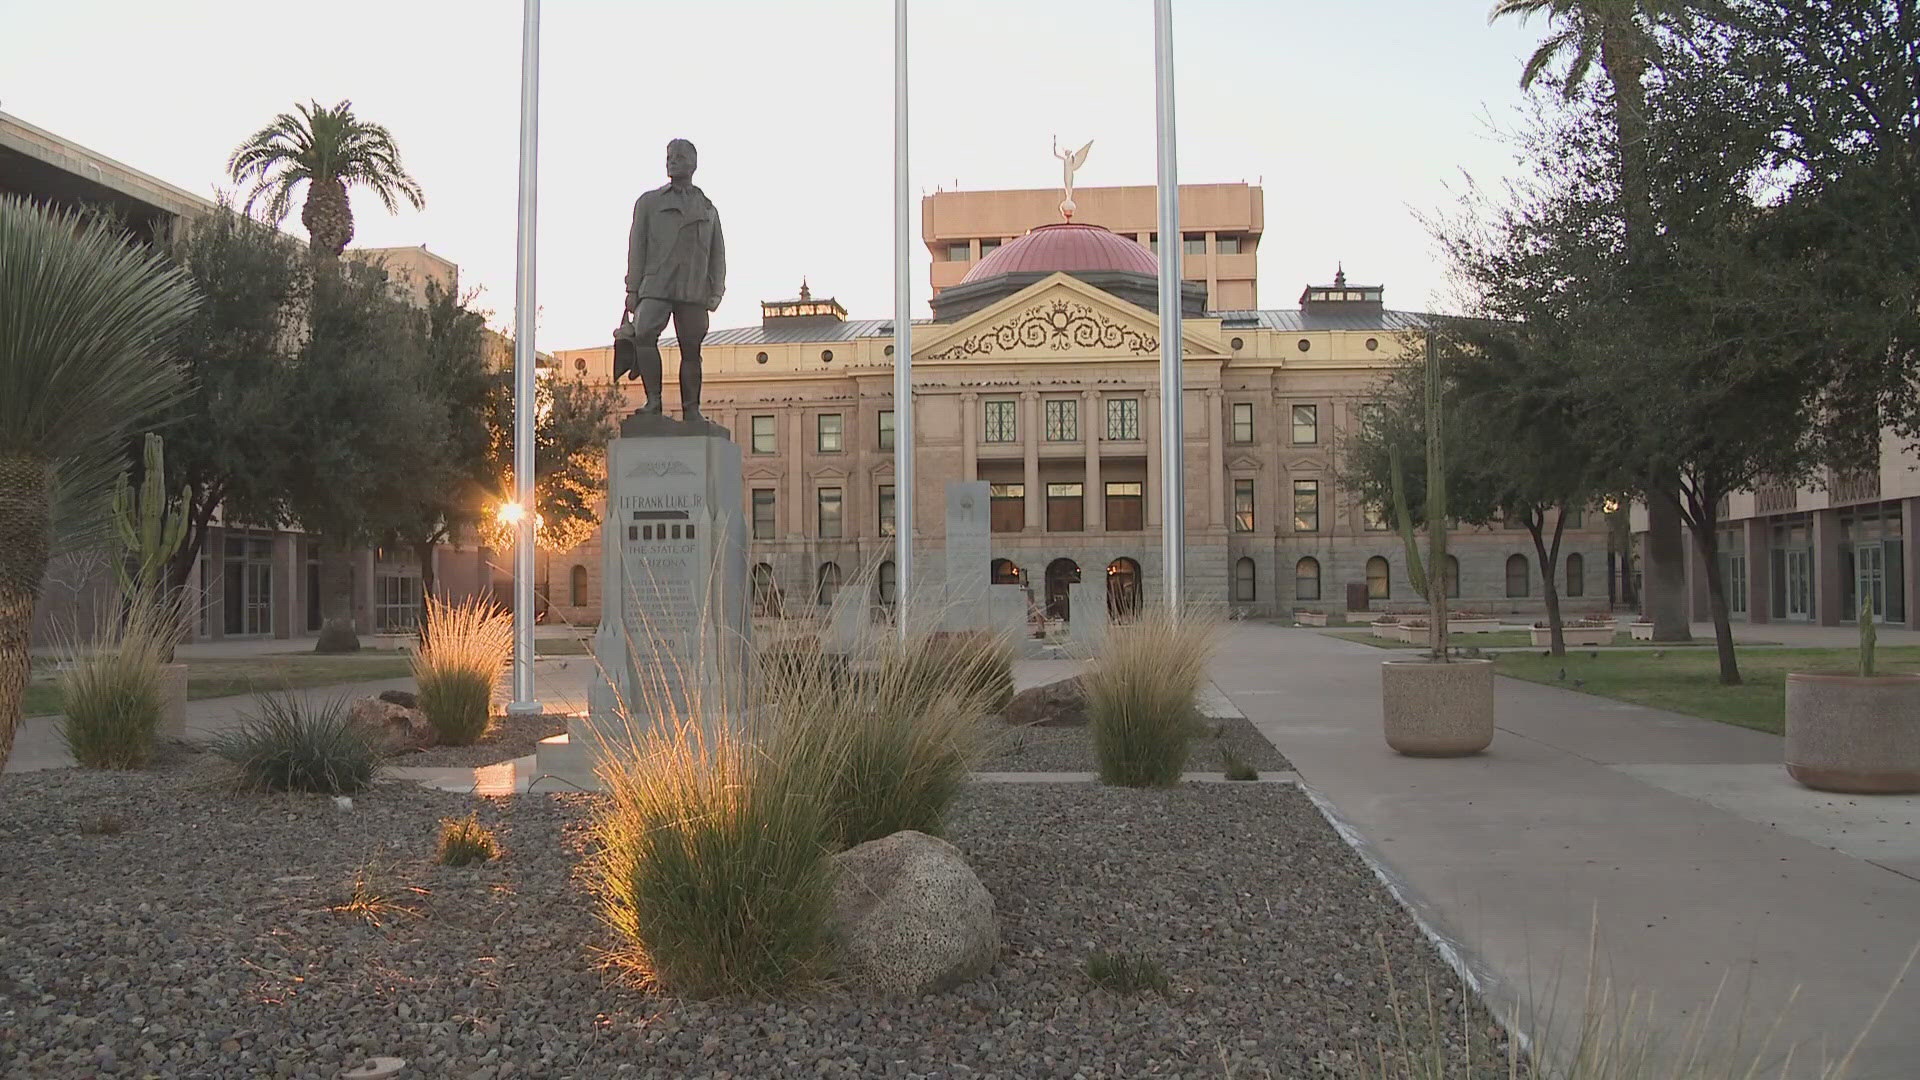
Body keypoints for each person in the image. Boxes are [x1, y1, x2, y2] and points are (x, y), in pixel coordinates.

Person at [614, 138, 726, 420]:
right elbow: (636, 246)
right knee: (644, 334)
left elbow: (717, 253)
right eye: (669, 156)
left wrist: (716, 290)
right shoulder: (649, 202)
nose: (672, 161)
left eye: (679, 156)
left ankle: (692, 410)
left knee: (691, 349)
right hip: (656, 284)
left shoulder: (708, 208)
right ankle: (654, 401)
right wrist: (632, 287)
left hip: (693, 288)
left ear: (694, 163)